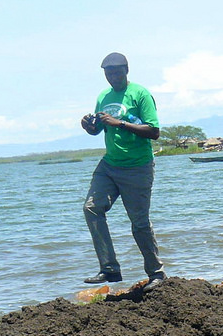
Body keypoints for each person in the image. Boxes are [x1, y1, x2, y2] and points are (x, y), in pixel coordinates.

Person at [80, 52, 166, 290]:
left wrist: (120, 123)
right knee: (92, 209)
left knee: (139, 223)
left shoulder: (140, 94)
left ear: (126, 71)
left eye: (117, 72)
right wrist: (89, 126)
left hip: (137, 166)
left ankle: (156, 274)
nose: (113, 77)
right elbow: (98, 129)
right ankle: (109, 269)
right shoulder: (103, 96)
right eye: (108, 73)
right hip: (110, 164)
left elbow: (153, 131)